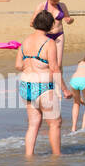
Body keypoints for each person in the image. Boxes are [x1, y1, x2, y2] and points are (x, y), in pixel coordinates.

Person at [16, 10, 63, 157]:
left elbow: (18, 65)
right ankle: (57, 157)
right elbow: (55, 68)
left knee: (33, 124)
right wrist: (65, 90)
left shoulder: (25, 41)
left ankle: (28, 157)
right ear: (49, 25)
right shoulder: (49, 43)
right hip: (43, 87)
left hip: (25, 86)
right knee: (55, 123)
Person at [37, 0, 73, 66]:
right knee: (46, 63)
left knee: (58, 64)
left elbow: (68, 19)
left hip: (59, 35)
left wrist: (69, 20)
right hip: (46, 35)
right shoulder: (42, 6)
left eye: (58, 0)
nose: (56, 2)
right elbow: (32, 22)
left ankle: (59, 78)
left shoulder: (62, 6)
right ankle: (49, 78)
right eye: (54, 0)